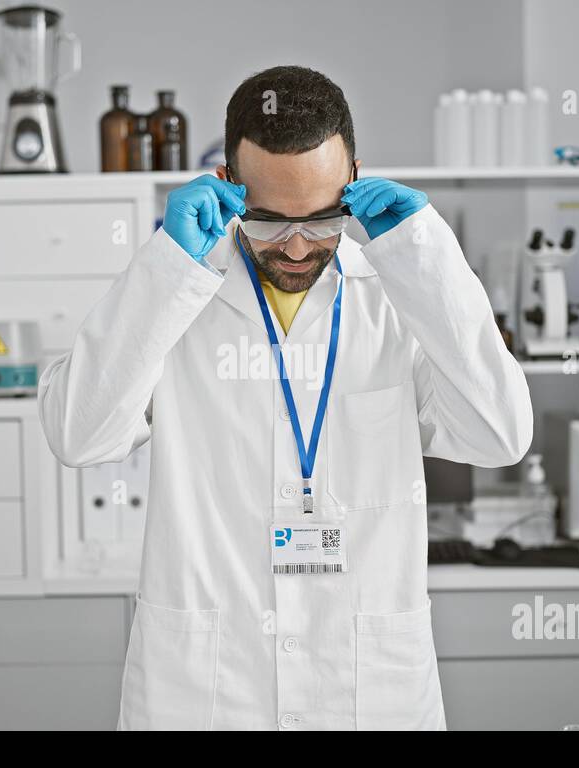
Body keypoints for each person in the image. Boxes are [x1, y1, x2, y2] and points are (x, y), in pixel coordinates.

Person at [38, 65, 532, 730]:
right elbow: (79, 432)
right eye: (267, 219)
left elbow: (499, 433)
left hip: (364, 689)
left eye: (323, 217)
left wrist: (427, 256)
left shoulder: (398, 296)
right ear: (227, 186)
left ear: (355, 179)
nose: (297, 246)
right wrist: (166, 264)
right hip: (209, 692)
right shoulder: (177, 294)